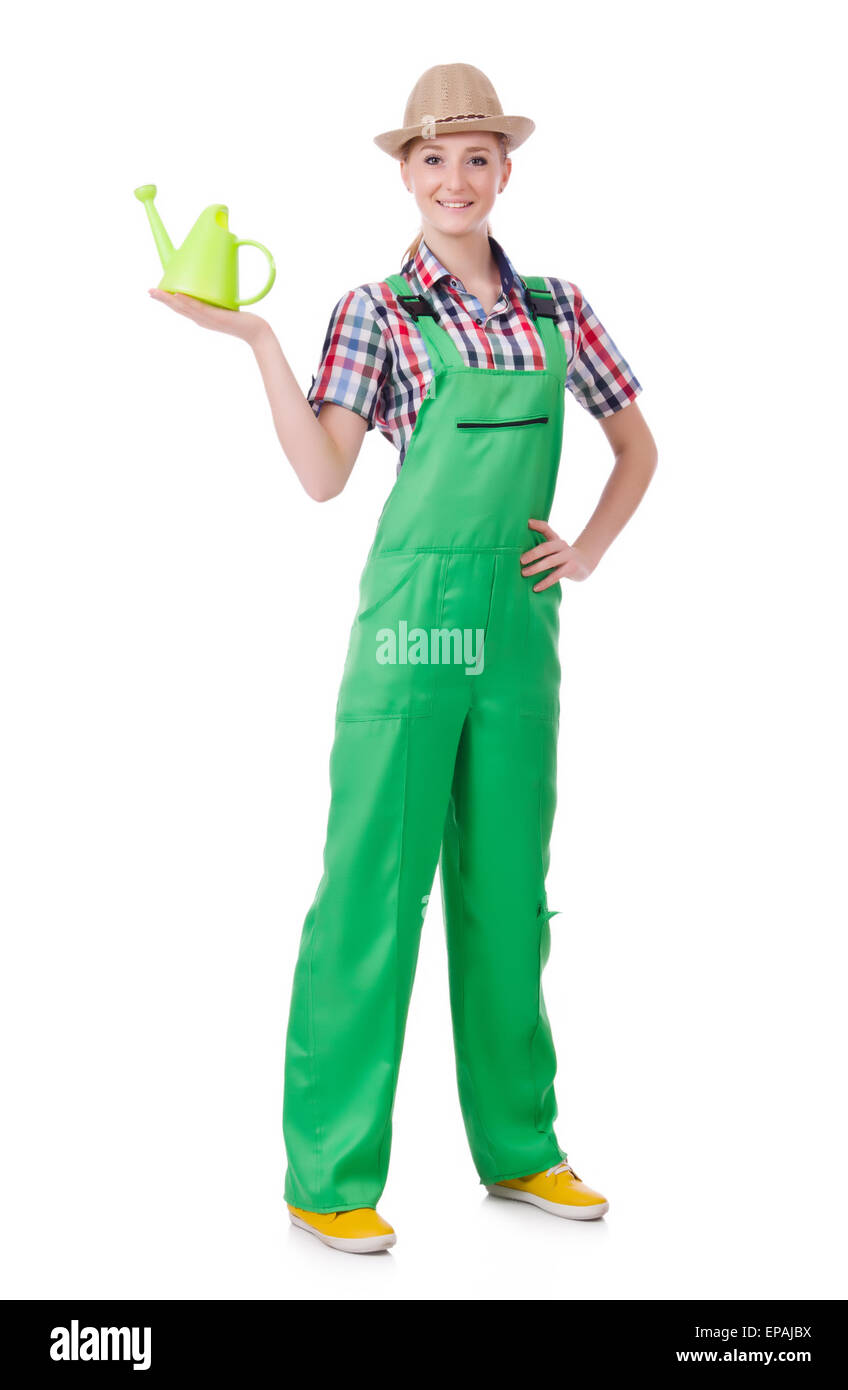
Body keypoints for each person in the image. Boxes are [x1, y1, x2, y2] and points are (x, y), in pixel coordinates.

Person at [149, 62, 658, 1257]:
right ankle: (327, 1173)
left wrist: (585, 548)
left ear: (505, 171)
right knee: (373, 887)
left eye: (477, 157)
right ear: (406, 173)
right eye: (433, 159)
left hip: (519, 632)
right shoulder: (376, 311)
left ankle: (522, 1147)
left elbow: (637, 442)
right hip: (409, 627)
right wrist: (260, 339)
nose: (455, 179)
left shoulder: (561, 309)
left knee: (507, 898)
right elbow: (325, 478)